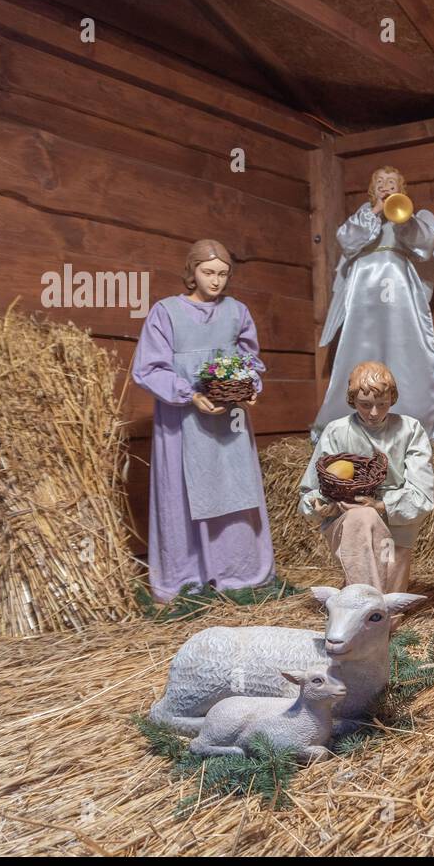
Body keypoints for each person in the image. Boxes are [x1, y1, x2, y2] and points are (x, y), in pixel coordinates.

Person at [131, 239, 275, 601]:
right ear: (191, 272)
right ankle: (187, 576)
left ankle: (240, 571)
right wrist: (189, 394)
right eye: (208, 272)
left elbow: (249, 359)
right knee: (182, 490)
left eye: (223, 274)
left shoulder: (237, 311)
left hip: (230, 420)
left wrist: (250, 385)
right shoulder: (165, 312)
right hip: (182, 422)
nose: (216, 281)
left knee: (233, 486)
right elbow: (148, 368)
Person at [312, 165, 434, 441]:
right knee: (360, 345)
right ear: (373, 188)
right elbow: (346, 239)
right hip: (365, 291)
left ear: (401, 188)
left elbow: (426, 244)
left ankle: (410, 419)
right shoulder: (363, 215)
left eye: (392, 182)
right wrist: (374, 211)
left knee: (403, 347)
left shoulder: (411, 216)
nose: (386, 185)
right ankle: (348, 420)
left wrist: (402, 218)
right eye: (380, 181)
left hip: (399, 292)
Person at [300, 361, 434, 594]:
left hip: (396, 521)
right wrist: (324, 506)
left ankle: (360, 602)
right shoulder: (336, 431)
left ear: (392, 399)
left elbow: (423, 495)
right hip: (347, 520)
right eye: (365, 405)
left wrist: (381, 505)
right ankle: (365, 606)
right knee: (362, 518)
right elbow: (311, 490)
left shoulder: (409, 430)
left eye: (382, 404)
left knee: (391, 601)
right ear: (352, 401)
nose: (374, 413)